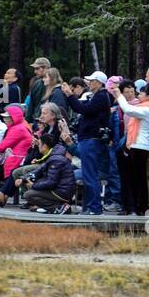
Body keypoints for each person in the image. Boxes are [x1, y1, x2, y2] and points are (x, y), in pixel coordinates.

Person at [64, 71, 113, 215]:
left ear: (99, 82)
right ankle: (90, 207)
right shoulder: (96, 97)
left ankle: (95, 208)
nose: (89, 83)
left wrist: (69, 95)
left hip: (91, 139)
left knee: (90, 175)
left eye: (92, 81)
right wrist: (70, 96)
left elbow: (82, 108)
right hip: (88, 139)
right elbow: (79, 105)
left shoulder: (102, 96)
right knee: (88, 174)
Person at [112, 80, 149, 214]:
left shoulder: (147, 109)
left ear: (148, 96)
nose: (139, 94)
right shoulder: (143, 107)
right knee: (135, 177)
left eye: (142, 93)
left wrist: (119, 95)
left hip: (140, 146)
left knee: (140, 178)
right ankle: (136, 206)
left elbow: (127, 109)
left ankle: (141, 207)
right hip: (135, 145)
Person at [19, 133, 76, 214]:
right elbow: (38, 170)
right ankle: (47, 206)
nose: (38, 146)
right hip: (58, 189)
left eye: (39, 144)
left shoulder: (56, 159)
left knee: (29, 195)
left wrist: (33, 185)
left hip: (62, 192)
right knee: (32, 184)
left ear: (44, 146)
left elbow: (51, 182)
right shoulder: (53, 155)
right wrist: (23, 178)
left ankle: (59, 207)